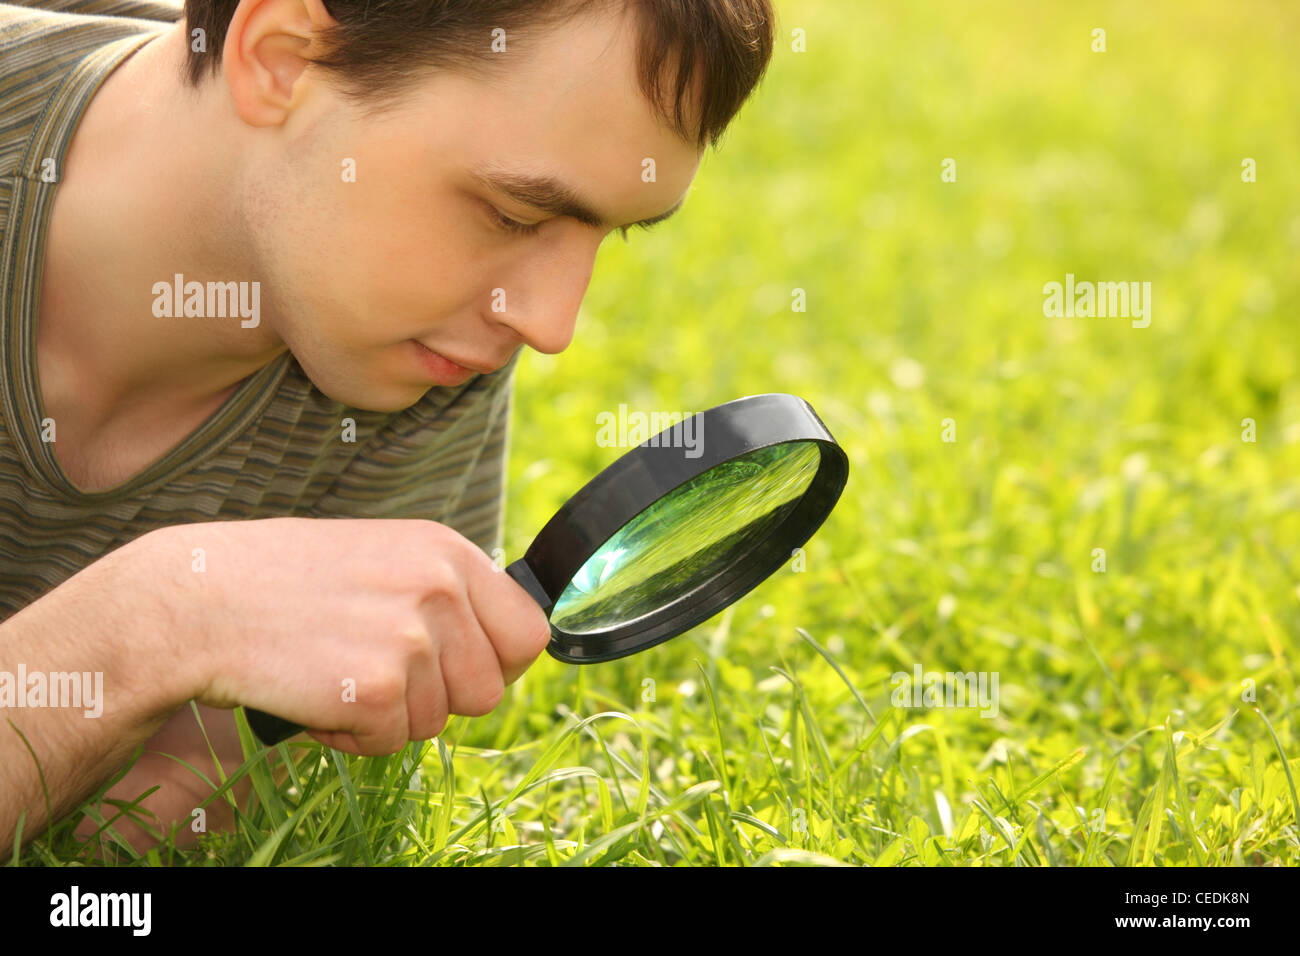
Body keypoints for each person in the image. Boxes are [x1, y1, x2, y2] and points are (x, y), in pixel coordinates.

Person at [0, 0, 774, 859]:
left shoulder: (413, 357)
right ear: (284, 58)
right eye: (513, 216)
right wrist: (162, 617)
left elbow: (129, 830)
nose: (552, 324)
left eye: (612, 234)